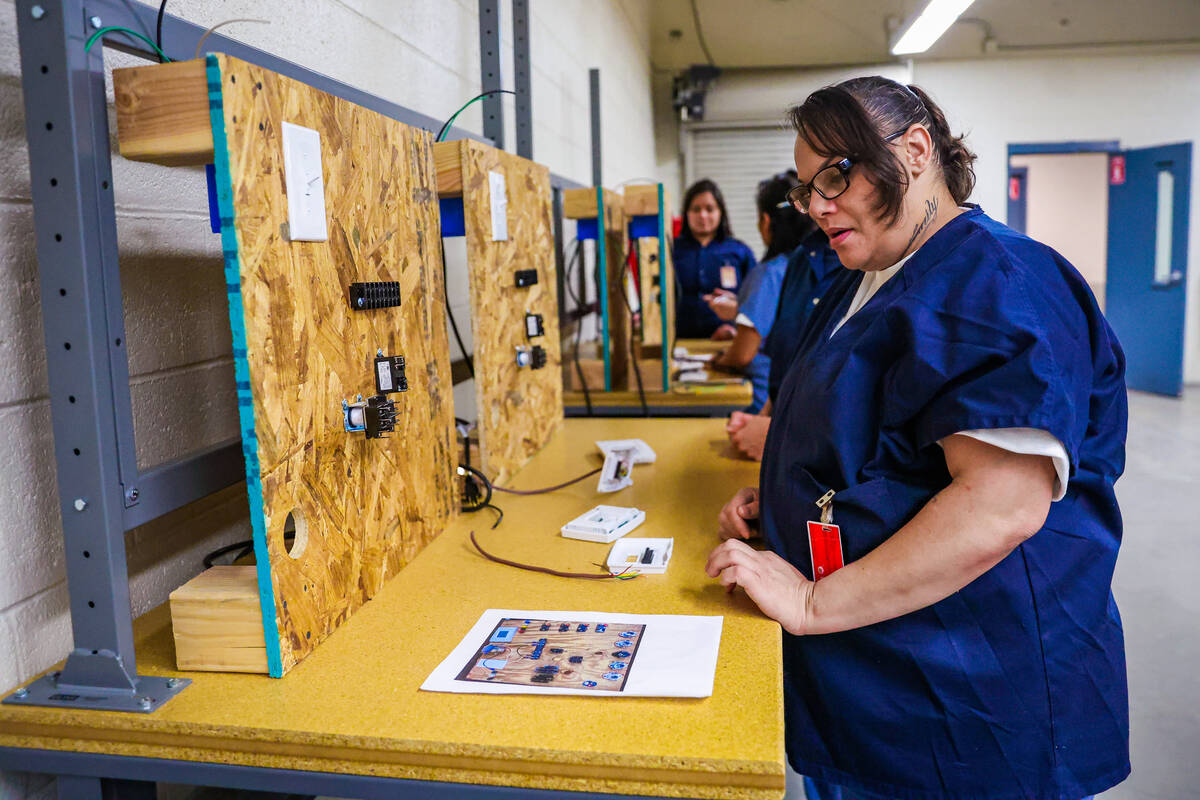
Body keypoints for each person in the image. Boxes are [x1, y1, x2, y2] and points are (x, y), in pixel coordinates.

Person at [706, 76, 1127, 800]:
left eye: (836, 175)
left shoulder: (999, 284)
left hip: (968, 691)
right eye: (807, 188)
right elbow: (870, 437)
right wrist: (785, 498)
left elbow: (1000, 505)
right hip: (874, 673)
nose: (817, 205)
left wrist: (811, 604)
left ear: (916, 150)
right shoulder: (869, 275)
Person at [724, 219, 844, 459]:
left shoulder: (873, 268)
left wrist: (781, 436)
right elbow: (788, 365)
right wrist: (764, 418)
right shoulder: (801, 260)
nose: (817, 208)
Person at [704, 171, 817, 414]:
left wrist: (719, 360)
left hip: (763, 401)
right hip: (803, 397)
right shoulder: (812, 267)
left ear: (766, 221)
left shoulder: (768, 274)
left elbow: (743, 354)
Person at [673, 179, 756, 340]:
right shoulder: (671, 250)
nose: (703, 215)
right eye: (696, 209)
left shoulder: (739, 251)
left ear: (720, 212)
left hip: (728, 341)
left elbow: (756, 300)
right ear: (686, 213)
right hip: (679, 342)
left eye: (710, 209)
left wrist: (735, 328)